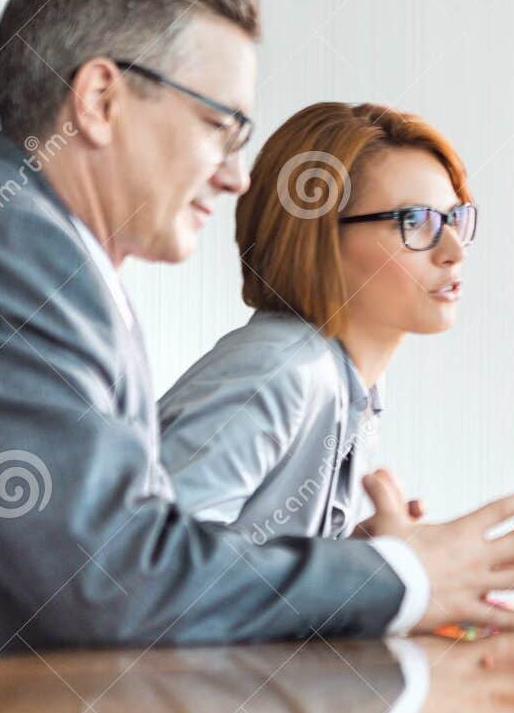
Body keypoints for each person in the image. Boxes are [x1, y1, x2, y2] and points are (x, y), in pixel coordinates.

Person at [0, 0, 514, 650]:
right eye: (219, 127)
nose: (237, 175)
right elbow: (115, 583)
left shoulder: (46, 254)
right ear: (101, 99)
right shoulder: (10, 247)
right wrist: (393, 574)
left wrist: (373, 565)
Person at [159, 102, 474, 544]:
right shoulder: (280, 372)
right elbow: (150, 575)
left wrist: (357, 558)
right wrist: (373, 572)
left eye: (455, 218)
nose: (455, 250)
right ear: (319, 237)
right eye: (414, 221)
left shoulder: (349, 382)